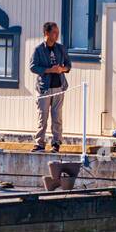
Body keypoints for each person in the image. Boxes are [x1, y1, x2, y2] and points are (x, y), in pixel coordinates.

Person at [29, 21, 71, 152]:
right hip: (44, 88)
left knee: (57, 117)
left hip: (59, 87)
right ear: (46, 33)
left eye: (57, 32)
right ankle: (40, 143)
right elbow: (33, 67)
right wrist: (49, 70)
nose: (57, 35)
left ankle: (56, 143)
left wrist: (61, 69)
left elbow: (68, 65)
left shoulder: (61, 48)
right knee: (43, 116)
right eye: (54, 32)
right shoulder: (38, 49)